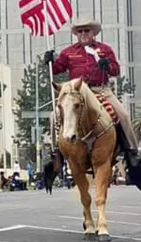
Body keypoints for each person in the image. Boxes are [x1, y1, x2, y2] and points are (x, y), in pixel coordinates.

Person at [45, 17, 139, 166]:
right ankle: (55, 151)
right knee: (54, 116)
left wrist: (107, 65)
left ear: (93, 32)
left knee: (124, 114)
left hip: (100, 89)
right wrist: (50, 61)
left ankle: (132, 151)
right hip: (76, 92)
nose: (83, 33)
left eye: (86, 30)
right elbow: (56, 70)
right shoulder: (68, 52)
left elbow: (116, 70)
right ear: (76, 33)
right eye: (80, 31)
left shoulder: (105, 49)